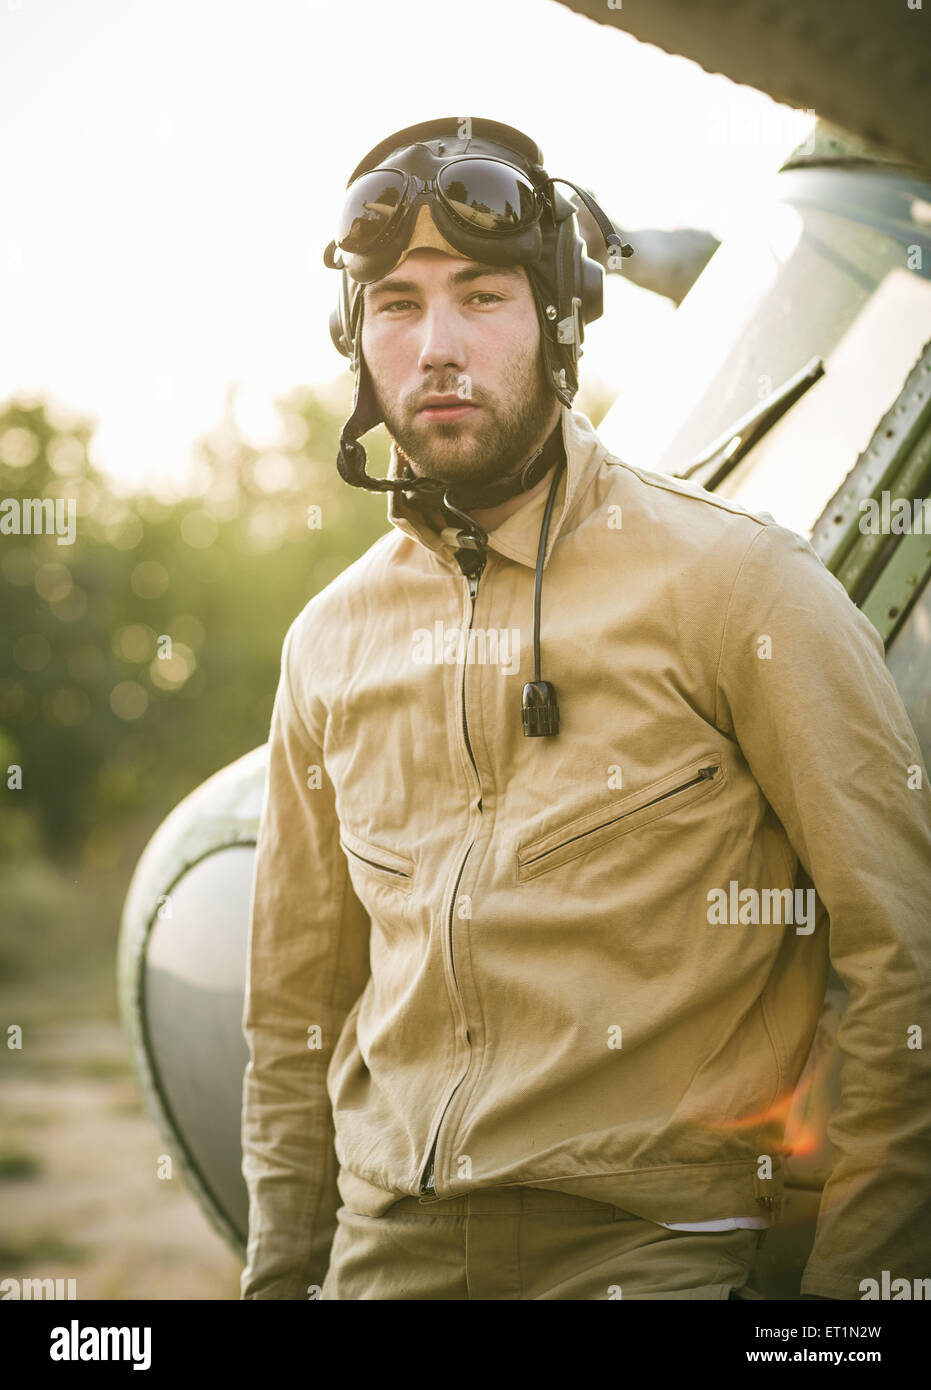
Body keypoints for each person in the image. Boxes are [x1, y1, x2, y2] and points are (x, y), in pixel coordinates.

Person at [239, 117, 931, 1300]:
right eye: (398, 306)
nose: (439, 347)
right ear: (356, 343)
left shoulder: (740, 586)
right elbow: (294, 1017)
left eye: (484, 296)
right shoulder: (327, 647)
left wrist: (851, 1302)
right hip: (385, 1253)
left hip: (653, 1250)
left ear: (559, 318)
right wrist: (278, 1277)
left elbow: (906, 960)